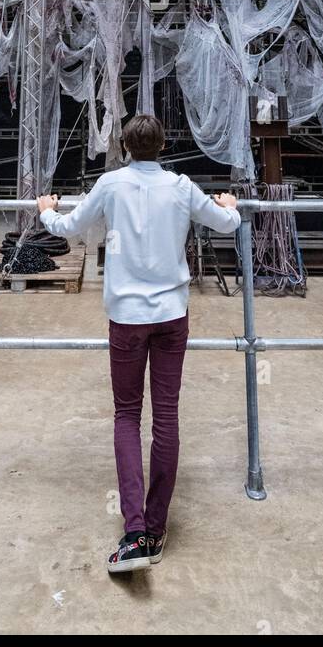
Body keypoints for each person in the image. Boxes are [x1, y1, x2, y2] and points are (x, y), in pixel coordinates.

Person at [37, 112, 241, 574]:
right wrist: (230, 204)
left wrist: (46, 209)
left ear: (126, 146)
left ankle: (135, 533)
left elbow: (69, 228)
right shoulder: (182, 186)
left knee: (127, 414)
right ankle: (157, 526)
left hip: (126, 319)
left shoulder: (111, 184)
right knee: (165, 415)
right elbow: (226, 224)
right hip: (172, 316)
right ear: (163, 146)